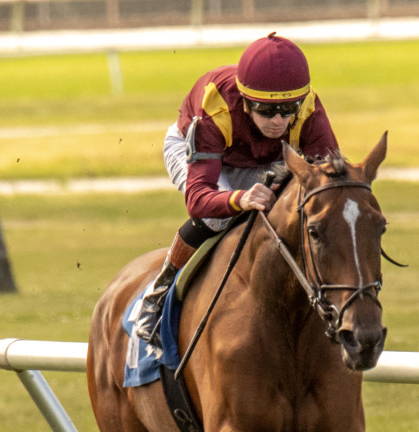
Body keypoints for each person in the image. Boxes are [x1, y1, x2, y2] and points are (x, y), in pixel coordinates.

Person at [134, 31, 338, 343]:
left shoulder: (309, 109)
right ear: (244, 102)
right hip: (200, 152)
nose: (278, 121)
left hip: (264, 159)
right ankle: (159, 293)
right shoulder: (216, 106)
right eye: (266, 111)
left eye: (288, 109)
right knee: (219, 217)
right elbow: (199, 198)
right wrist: (239, 199)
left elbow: (331, 182)